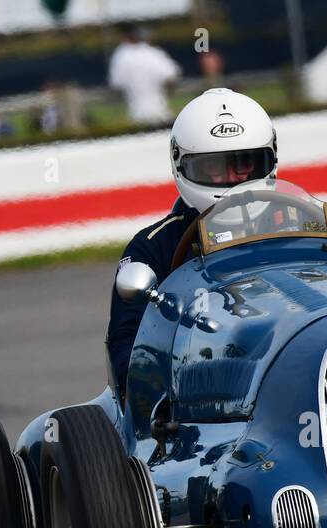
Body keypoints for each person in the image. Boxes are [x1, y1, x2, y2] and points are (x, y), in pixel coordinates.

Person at [106, 89, 278, 394]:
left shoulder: (295, 227)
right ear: (181, 163)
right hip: (199, 397)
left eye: (244, 164)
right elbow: (127, 348)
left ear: (270, 158)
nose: (232, 179)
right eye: (214, 167)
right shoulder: (152, 248)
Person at [108, 23, 182, 126]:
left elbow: (116, 84)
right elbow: (171, 76)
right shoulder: (152, 53)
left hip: (137, 117)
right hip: (161, 113)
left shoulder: (121, 56)